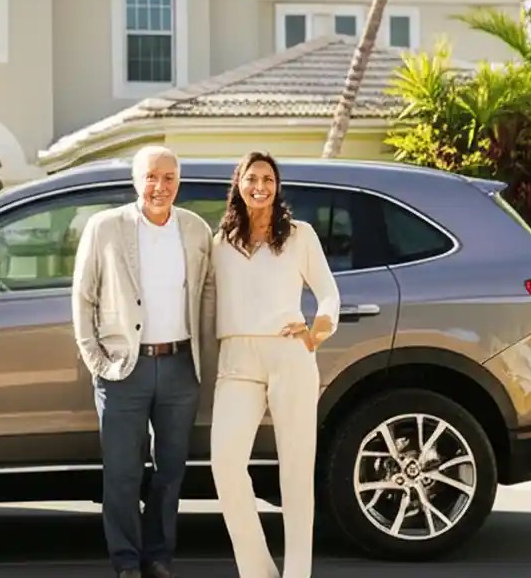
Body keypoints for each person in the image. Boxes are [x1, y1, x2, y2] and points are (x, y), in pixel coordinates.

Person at [71, 145, 216, 578]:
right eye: (151, 177)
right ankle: (126, 561)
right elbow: (83, 296)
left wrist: (204, 356)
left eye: (169, 178)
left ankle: (159, 557)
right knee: (121, 472)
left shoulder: (194, 229)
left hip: (178, 366)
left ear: (179, 182)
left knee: (171, 469)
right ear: (136, 181)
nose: (160, 186)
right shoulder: (105, 227)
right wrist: (95, 359)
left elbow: (207, 294)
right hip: (122, 369)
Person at [209, 151, 340, 578]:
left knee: (297, 472)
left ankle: (297, 573)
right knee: (225, 464)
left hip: (290, 357)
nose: (260, 186)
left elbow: (328, 293)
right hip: (236, 358)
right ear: (239, 184)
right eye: (252, 178)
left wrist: (315, 334)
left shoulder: (299, 235)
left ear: (277, 185)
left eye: (268, 178)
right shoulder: (220, 240)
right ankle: (258, 571)